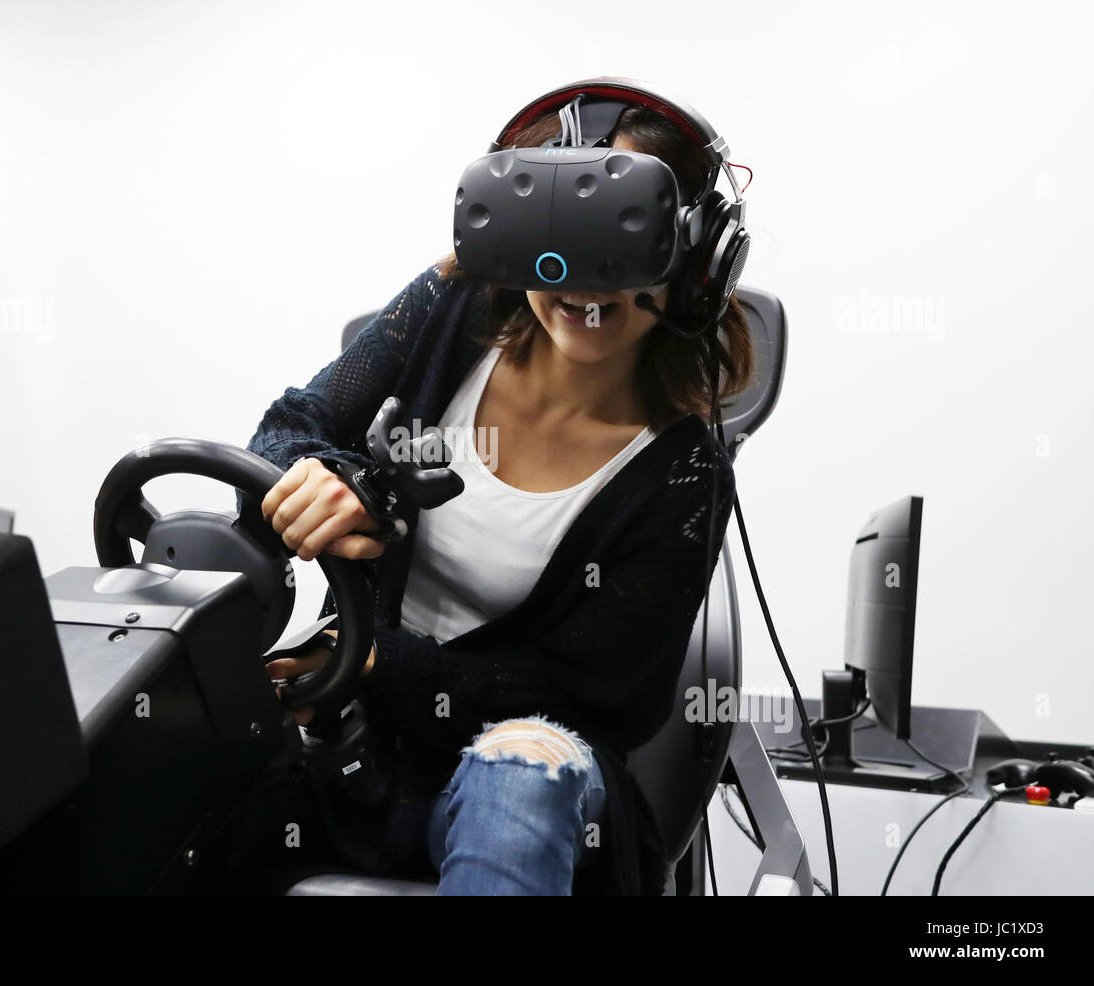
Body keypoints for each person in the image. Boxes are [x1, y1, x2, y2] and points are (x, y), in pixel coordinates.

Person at [218, 102, 754, 896]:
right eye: (557, 238)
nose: (580, 281)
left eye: (619, 239)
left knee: (520, 771)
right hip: (361, 751)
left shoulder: (684, 472)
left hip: (533, 766)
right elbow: (291, 426)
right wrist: (336, 478)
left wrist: (372, 659)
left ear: (696, 258)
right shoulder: (454, 309)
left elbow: (602, 698)